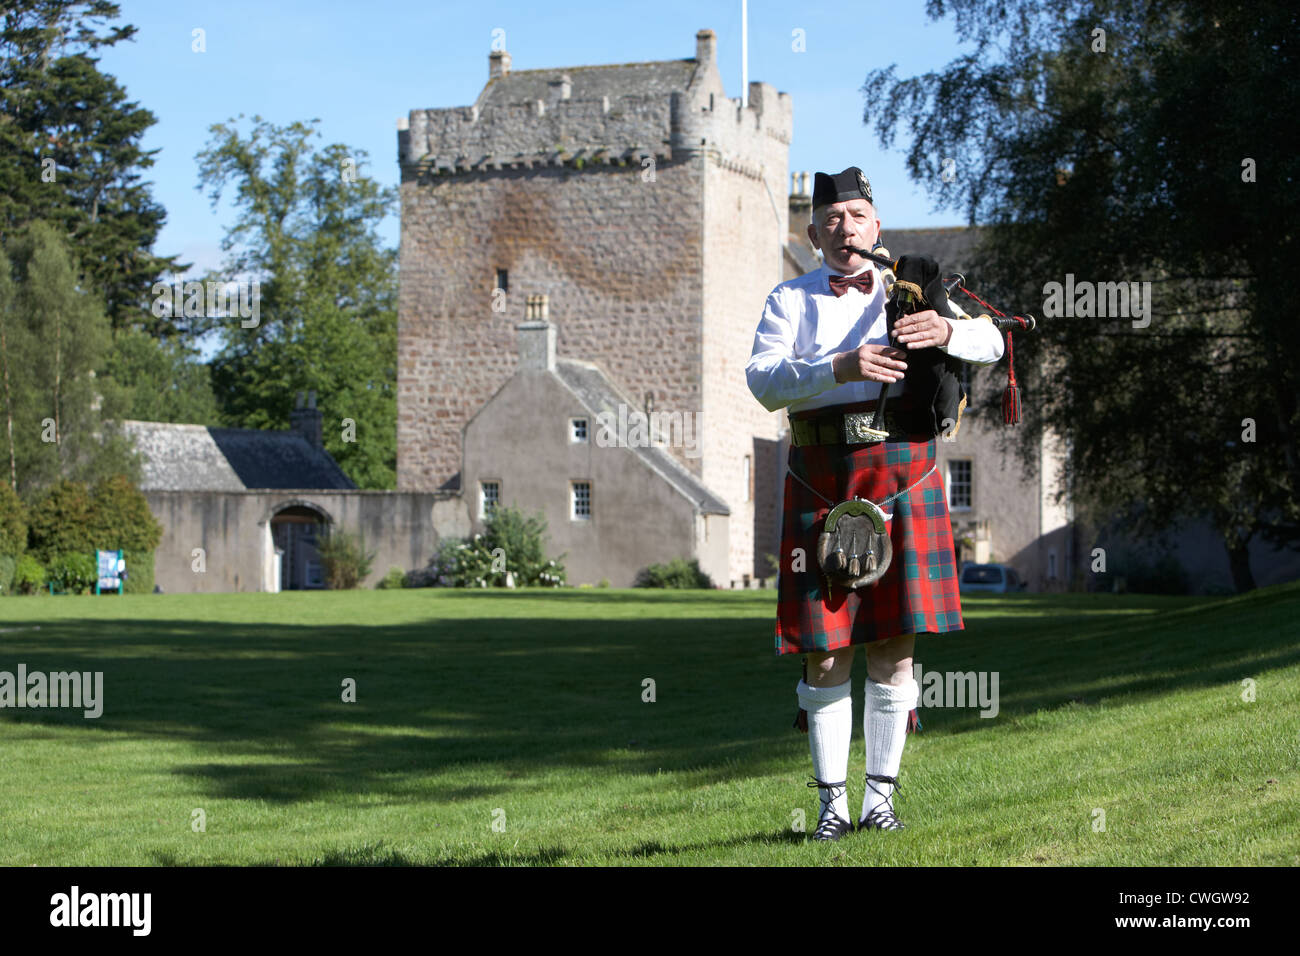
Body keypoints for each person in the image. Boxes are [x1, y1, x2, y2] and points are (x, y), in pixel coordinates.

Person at [746, 167, 1005, 841]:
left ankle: (879, 802)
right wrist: (839, 366)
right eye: (832, 220)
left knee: (894, 643)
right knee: (825, 649)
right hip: (819, 475)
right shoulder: (790, 299)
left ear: (876, 227)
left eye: (856, 216)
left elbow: (995, 340)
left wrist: (946, 334)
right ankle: (831, 805)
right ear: (812, 233)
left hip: (903, 470)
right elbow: (763, 383)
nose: (845, 229)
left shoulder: (915, 286)